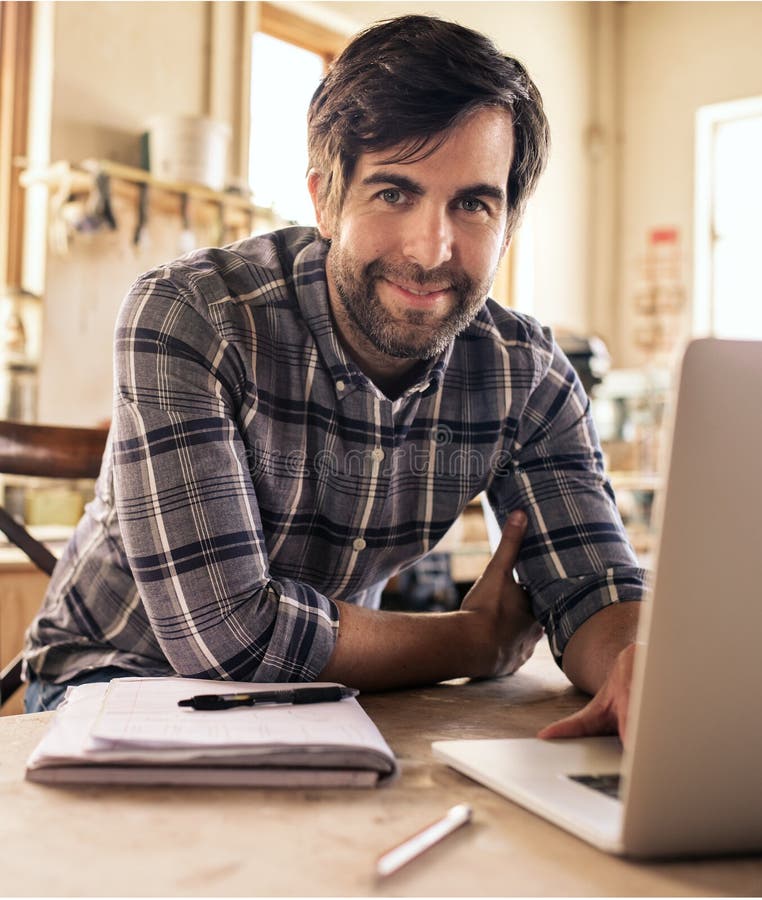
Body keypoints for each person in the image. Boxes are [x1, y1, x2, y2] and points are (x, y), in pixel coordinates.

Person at [23, 15, 646, 738]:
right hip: (115, 678)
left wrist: (637, 661)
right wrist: (470, 641)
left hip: (318, 697)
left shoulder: (528, 376)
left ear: (508, 220)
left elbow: (595, 587)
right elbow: (226, 635)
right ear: (324, 198)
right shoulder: (192, 312)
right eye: (394, 192)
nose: (431, 249)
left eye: (472, 203)